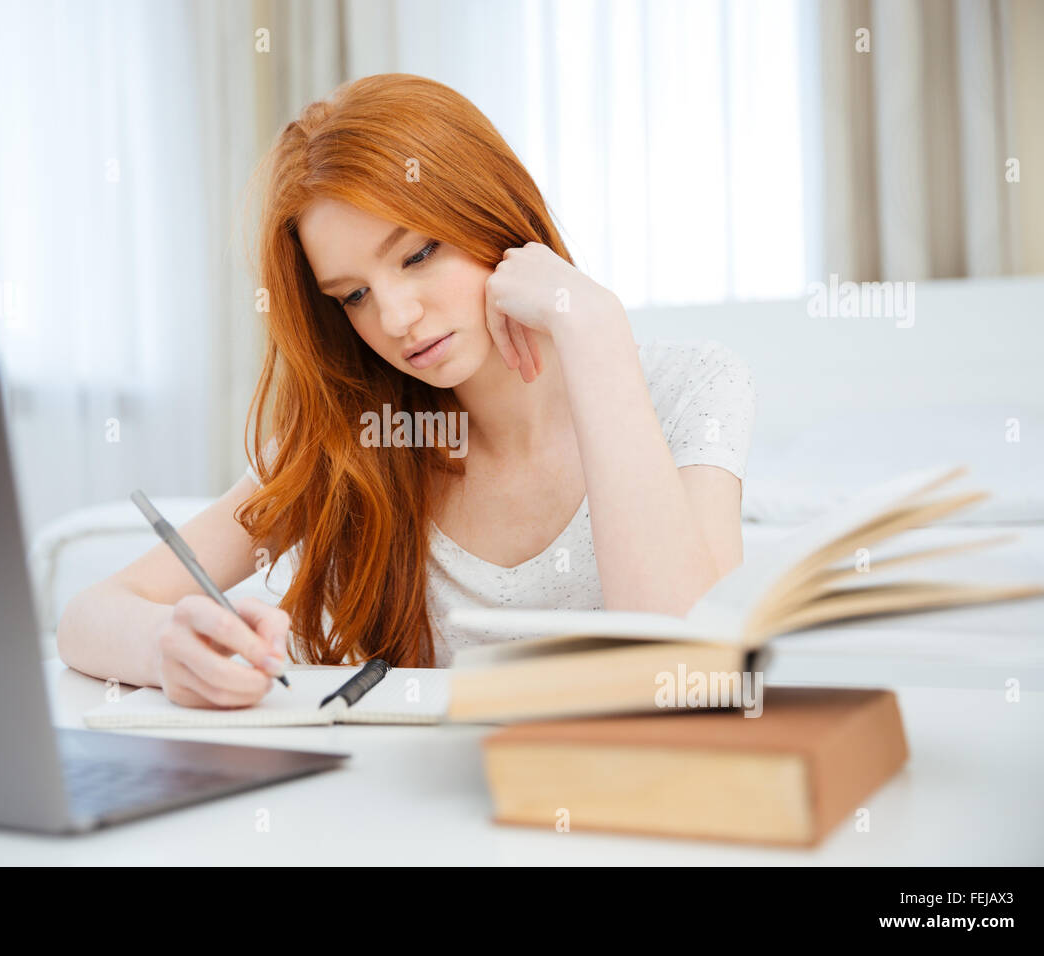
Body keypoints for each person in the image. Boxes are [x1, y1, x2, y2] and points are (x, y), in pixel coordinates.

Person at [57, 73, 755, 709]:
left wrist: (596, 331)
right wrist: (163, 647)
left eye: (418, 255)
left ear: (493, 212)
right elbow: (89, 616)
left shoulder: (690, 386)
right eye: (353, 295)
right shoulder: (358, 434)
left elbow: (692, 680)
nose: (393, 319)